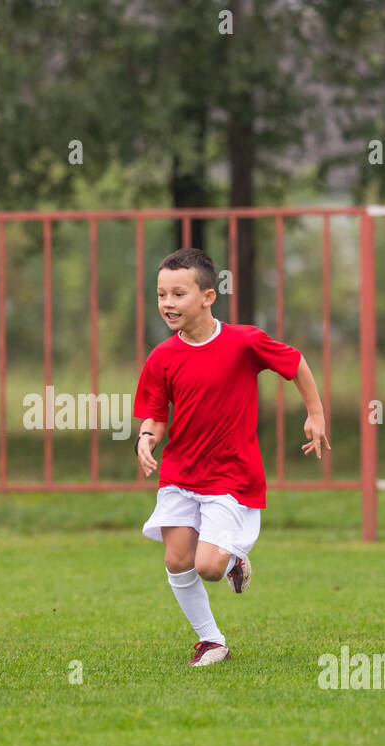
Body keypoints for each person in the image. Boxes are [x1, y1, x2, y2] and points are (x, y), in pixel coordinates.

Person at [134, 247, 329, 667]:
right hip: (180, 473)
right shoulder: (162, 357)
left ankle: (233, 559)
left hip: (230, 475)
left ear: (208, 297)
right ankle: (211, 641)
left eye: (178, 294)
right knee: (176, 558)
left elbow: (295, 363)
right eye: (161, 294)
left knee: (207, 566)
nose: (168, 303)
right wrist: (146, 440)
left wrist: (315, 413)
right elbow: (154, 413)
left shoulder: (244, 341)